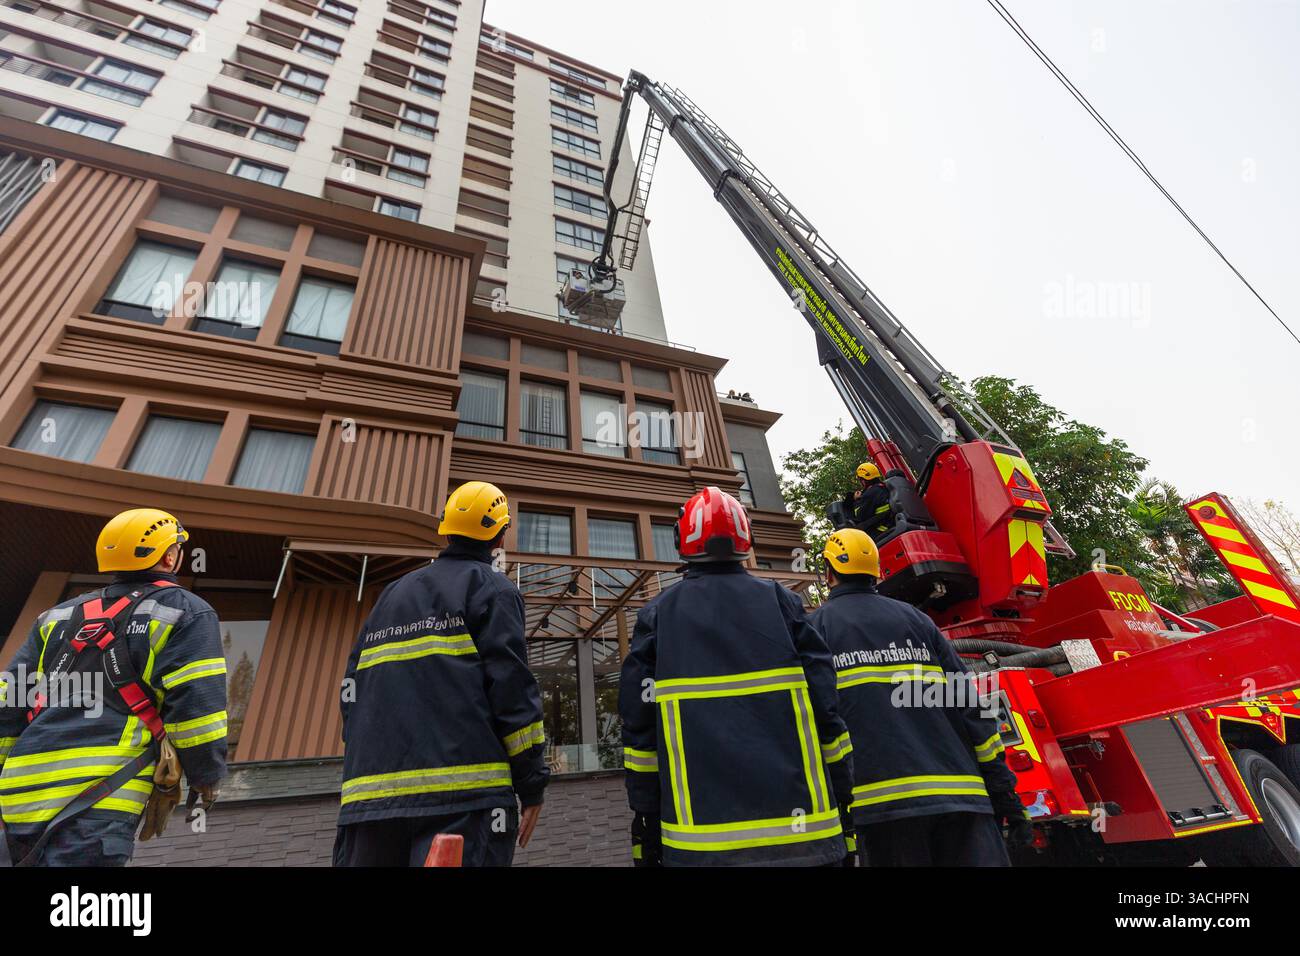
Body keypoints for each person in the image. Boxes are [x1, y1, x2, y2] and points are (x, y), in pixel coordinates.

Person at [620, 486, 854, 867]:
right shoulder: (783, 603)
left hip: (700, 845)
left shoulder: (658, 615)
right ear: (747, 537)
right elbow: (827, 709)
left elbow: (639, 730)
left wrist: (645, 816)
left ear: (681, 540)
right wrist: (844, 794)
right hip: (805, 839)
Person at [334, 480, 548, 867]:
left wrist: (368, 755)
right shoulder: (494, 591)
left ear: (447, 528)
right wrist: (532, 785)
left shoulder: (393, 594)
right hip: (462, 803)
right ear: (500, 535)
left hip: (370, 805)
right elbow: (513, 695)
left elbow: (352, 688)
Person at [0, 508, 227, 867]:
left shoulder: (55, 617)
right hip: (99, 801)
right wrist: (207, 777)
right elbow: (197, 708)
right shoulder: (186, 611)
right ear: (170, 556)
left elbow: (8, 705)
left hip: (18, 802)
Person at [810, 528, 1032, 866]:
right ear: (876, 571)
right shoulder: (917, 620)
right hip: (963, 803)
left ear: (829, 572)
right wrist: (1007, 799)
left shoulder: (816, 629)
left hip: (884, 811)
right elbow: (971, 708)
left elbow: (817, 723)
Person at [842, 462, 894, 540]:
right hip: (888, 523)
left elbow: (859, 516)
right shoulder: (882, 487)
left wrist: (856, 499)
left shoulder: (870, 494)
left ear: (863, 480)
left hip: (880, 530)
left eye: (860, 479)